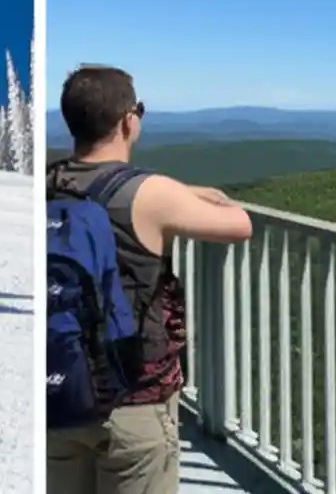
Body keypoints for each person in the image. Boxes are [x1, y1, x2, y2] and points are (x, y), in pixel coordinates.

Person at [46, 65, 253, 494]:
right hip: (134, 400)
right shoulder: (151, 193)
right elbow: (239, 224)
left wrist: (179, 191)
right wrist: (186, 195)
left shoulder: (48, 182)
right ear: (128, 119)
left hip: (59, 392)